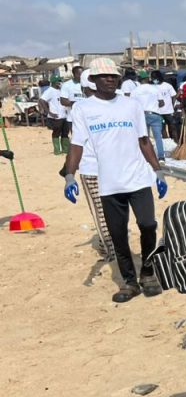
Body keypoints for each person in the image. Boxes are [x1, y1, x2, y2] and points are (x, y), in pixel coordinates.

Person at [63, 58, 168, 302]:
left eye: (113, 76)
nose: (110, 79)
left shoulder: (131, 105)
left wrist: (158, 170)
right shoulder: (83, 109)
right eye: (104, 76)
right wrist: (70, 175)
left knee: (148, 225)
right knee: (118, 234)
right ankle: (130, 283)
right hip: (109, 183)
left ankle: (148, 272)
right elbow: (77, 144)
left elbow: (144, 140)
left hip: (138, 179)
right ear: (94, 80)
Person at [63, 69, 115, 261]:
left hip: (91, 168)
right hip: (115, 167)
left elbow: (76, 143)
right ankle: (107, 246)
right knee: (115, 210)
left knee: (100, 213)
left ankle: (111, 252)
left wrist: (70, 175)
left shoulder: (81, 108)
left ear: (86, 87)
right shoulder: (116, 105)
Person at [132, 70, 166, 159]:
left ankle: (146, 157)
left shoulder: (135, 90)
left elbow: (132, 104)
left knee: (144, 138)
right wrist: (154, 105)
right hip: (155, 114)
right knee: (158, 137)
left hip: (141, 116)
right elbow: (162, 103)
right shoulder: (155, 89)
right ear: (147, 78)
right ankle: (161, 157)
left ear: (139, 79)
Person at [39, 77, 67, 156]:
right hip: (56, 116)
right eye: (58, 81)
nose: (60, 82)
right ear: (54, 82)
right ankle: (57, 150)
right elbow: (42, 100)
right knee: (56, 133)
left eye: (60, 81)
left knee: (65, 133)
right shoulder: (50, 91)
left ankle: (65, 149)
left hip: (64, 115)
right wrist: (49, 112)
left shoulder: (61, 90)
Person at [152, 70, 177, 145]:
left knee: (172, 127)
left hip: (168, 111)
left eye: (154, 78)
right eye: (152, 78)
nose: (153, 79)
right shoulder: (152, 86)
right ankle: (167, 143)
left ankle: (175, 142)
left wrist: (173, 106)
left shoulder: (167, 85)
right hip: (158, 112)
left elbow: (174, 96)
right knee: (162, 129)